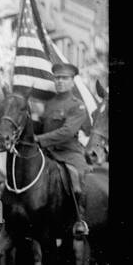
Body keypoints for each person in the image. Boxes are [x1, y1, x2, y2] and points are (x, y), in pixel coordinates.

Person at [34, 61, 90, 237]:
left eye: (64, 78)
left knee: (79, 179)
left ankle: (80, 219)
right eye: (57, 78)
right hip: (46, 154)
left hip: (69, 154)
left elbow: (67, 132)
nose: (59, 81)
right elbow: (40, 126)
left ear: (72, 81)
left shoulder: (77, 105)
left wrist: (39, 139)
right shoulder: (48, 104)